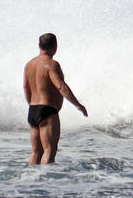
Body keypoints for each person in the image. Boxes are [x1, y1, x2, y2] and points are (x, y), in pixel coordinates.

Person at [22, 33, 88, 164]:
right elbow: (61, 86)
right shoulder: (51, 64)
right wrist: (78, 105)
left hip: (33, 110)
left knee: (36, 152)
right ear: (55, 46)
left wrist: (32, 104)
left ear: (39, 45)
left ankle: (30, 181)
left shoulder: (29, 65)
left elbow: (25, 87)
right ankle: (47, 182)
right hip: (47, 111)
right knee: (49, 150)